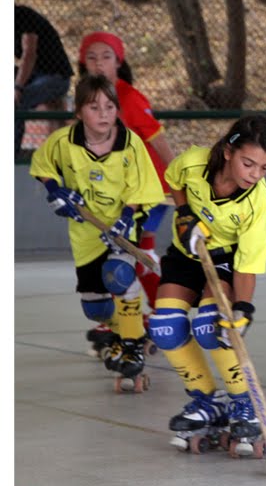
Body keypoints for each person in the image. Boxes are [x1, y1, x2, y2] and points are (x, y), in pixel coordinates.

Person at [146, 115, 266, 456]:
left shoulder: (256, 200)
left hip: (226, 261)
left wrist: (243, 309)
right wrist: (184, 212)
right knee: (164, 328)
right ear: (228, 151)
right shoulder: (193, 163)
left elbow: (248, 264)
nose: (254, 174)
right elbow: (174, 179)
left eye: (264, 168)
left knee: (212, 327)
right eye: (249, 163)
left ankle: (243, 403)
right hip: (187, 252)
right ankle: (208, 401)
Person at [28, 74, 164, 389]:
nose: (103, 114)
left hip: (124, 223)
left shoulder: (129, 144)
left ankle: (131, 347)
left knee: (118, 274)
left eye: (109, 106)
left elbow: (142, 188)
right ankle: (127, 329)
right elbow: (43, 165)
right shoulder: (63, 141)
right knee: (96, 307)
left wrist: (126, 218)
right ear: (78, 113)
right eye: (94, 107)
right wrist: (55, 192)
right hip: (85, 231)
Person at [78, 31, 177, 348]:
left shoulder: (128, 97)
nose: (98, 63)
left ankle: (163, 316)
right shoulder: (85, 99)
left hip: (151, 190)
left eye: (106, 56)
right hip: (118, 195)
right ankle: (132, 318)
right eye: (91, 57)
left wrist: (179, 183)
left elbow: (158, 141)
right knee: (120, 252)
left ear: (119, 62)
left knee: (138, 251)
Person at [14, 5, 73, 158]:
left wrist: (17, 87)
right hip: (35, 75)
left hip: (55, 77)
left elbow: (29, 55)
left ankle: (13, 150)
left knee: (16, 101)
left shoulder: (23, 16)